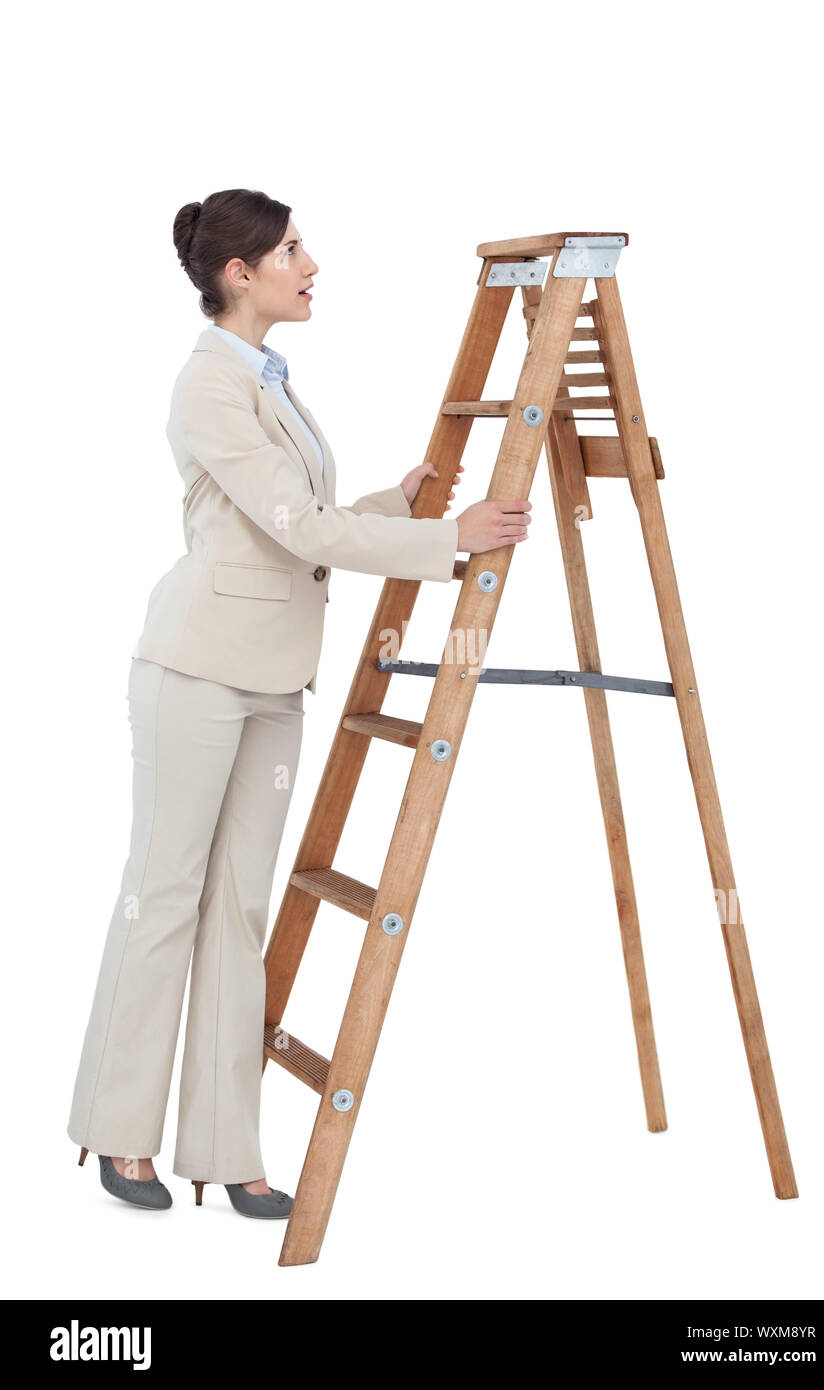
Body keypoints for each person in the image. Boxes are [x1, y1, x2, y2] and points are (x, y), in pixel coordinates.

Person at [66, 187, 532, 1220]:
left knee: (237, 910)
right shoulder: (208, 387)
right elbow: (295, 528)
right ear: (239, 274)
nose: (309, 262)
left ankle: (230, 1150)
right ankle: (117, 1132)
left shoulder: (269, 380)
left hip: (274, 677)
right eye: (289, 249)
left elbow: (307, 520)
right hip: (193, 669)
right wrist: (444, 539)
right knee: (164, 897)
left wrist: (399, 507)